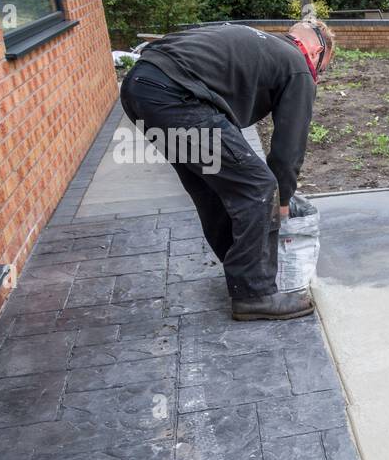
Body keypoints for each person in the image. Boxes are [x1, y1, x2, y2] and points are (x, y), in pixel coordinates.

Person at [118, 20, 334, 320]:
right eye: (323, 69)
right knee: (259, 187)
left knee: (213, 187)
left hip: (140, 88)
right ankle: (254, 294)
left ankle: (241, 273)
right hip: (175, 94)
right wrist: (283, 202)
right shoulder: (297, 65)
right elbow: (288, 151)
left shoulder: (260, 46)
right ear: (316, 51)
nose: (319, 77)